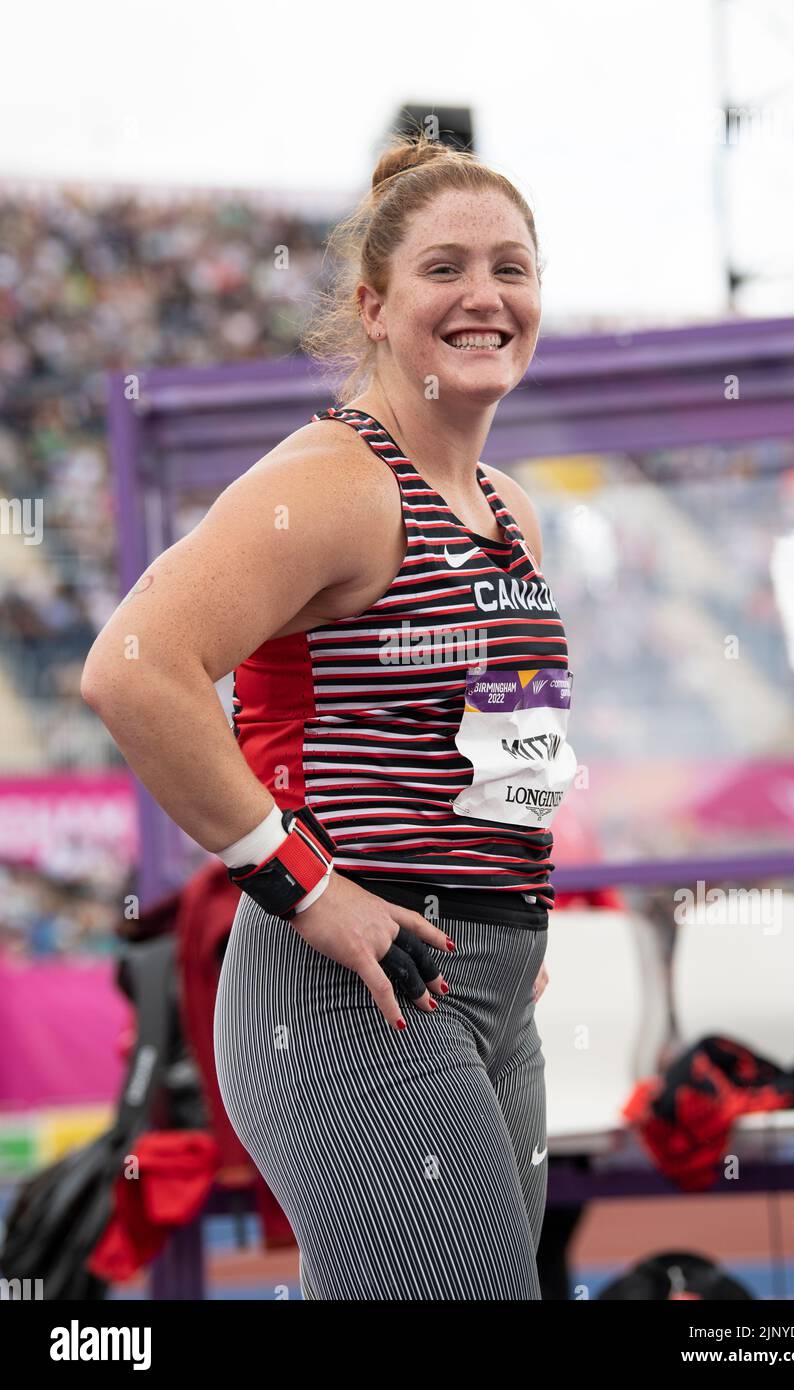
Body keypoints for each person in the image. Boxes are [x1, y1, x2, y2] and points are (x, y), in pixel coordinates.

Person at [81, 132, 576, 1300]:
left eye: (511, 267)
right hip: (348, 986)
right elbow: (133, 668)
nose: (484, 296)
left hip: (487, 978)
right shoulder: (333, 481)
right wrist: (305, 887)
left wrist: (514, 903)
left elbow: (508, 740)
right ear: (372, 305)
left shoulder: (509, 508)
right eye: (444, 269)